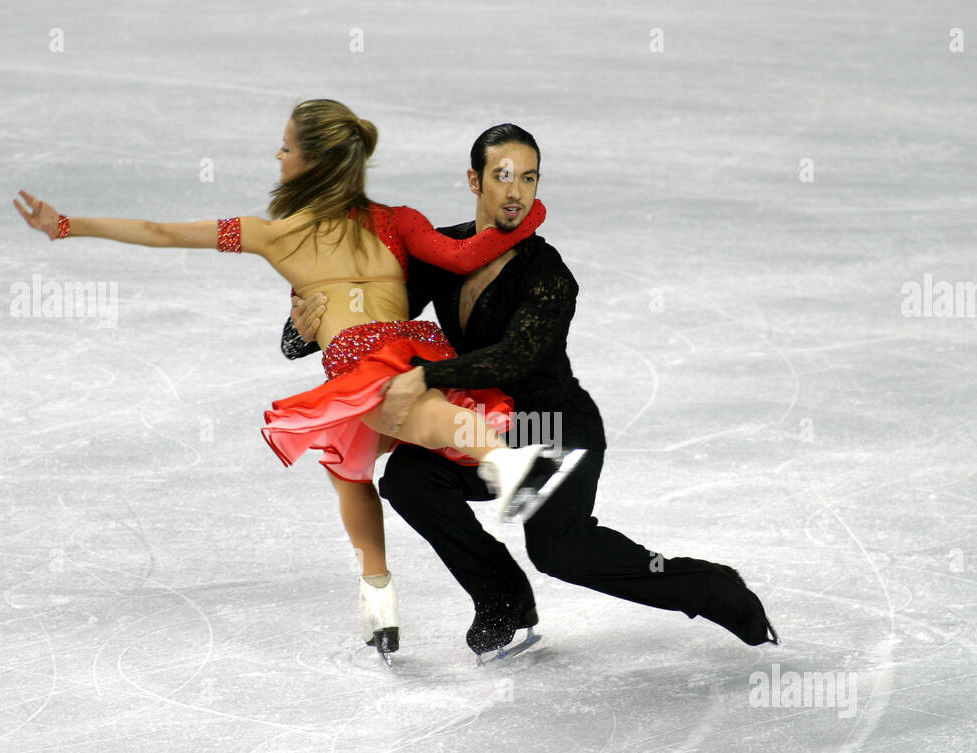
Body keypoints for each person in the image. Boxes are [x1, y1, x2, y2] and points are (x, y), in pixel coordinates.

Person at [14, 99, 579, 663]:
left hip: (371, 361)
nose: (279, 156)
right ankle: (379, 596)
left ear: (316, 163)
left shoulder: (275, 234)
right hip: (396, 348)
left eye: (287, 148)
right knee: (350, 470)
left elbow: (160, 231)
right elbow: (463, 254)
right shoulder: (386, 220)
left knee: (394, 408)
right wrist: (531, 213)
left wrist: (69, 226)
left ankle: (511, 468)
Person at [287, 123, 778, 658]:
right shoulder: (441, 252)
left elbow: (514, 357)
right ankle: (502, 598)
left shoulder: (547, 273)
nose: (516, 190)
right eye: (502, 176)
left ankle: (709, 587)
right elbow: (375, 313)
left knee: (561, 553)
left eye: (529, 177)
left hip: (554, 429)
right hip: (484, 425)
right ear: (474, 181)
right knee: (409, 480)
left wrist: (425, 376)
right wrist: (304, 326)